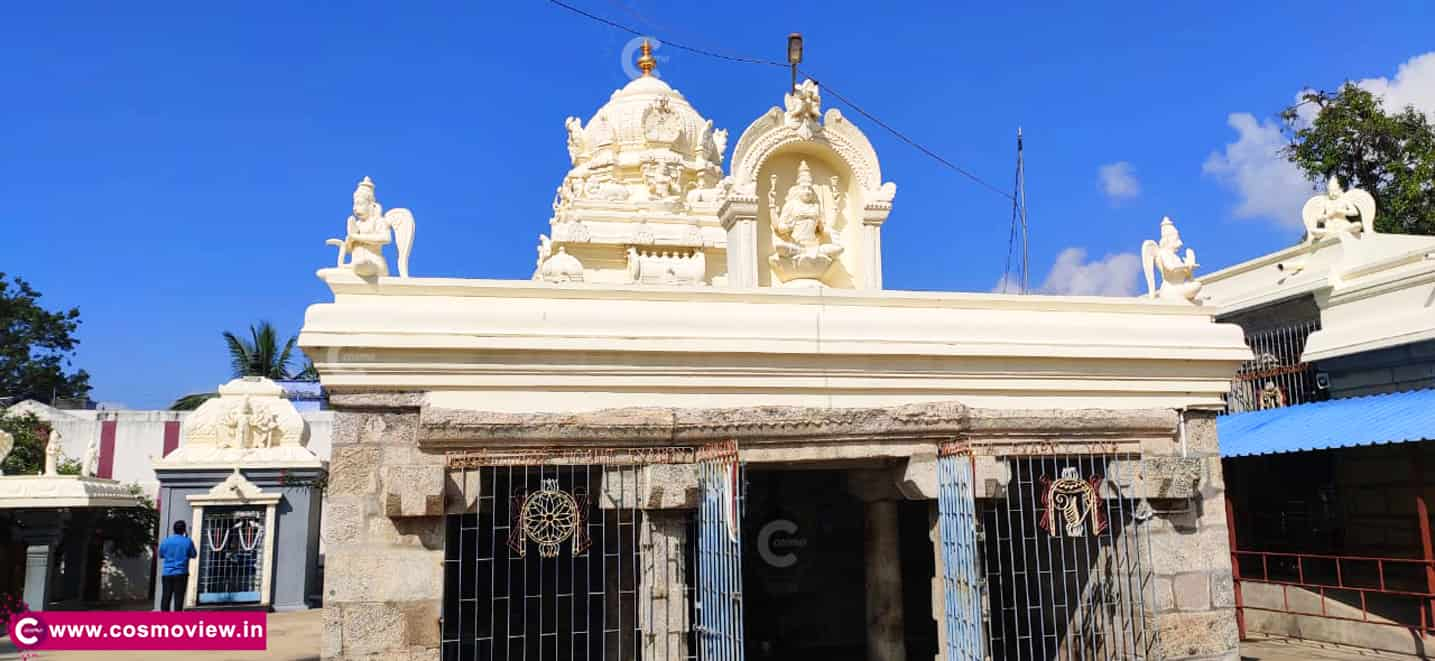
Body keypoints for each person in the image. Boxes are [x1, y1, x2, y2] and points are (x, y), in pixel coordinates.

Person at [158, 520, 197, 611]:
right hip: (181, 573)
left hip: (167, 573)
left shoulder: (166, 541)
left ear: (173, 529)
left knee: (166, 597)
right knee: (179, 598)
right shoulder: (188, 541)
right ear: (184, 530)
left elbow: (161, 555)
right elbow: (194, 555)